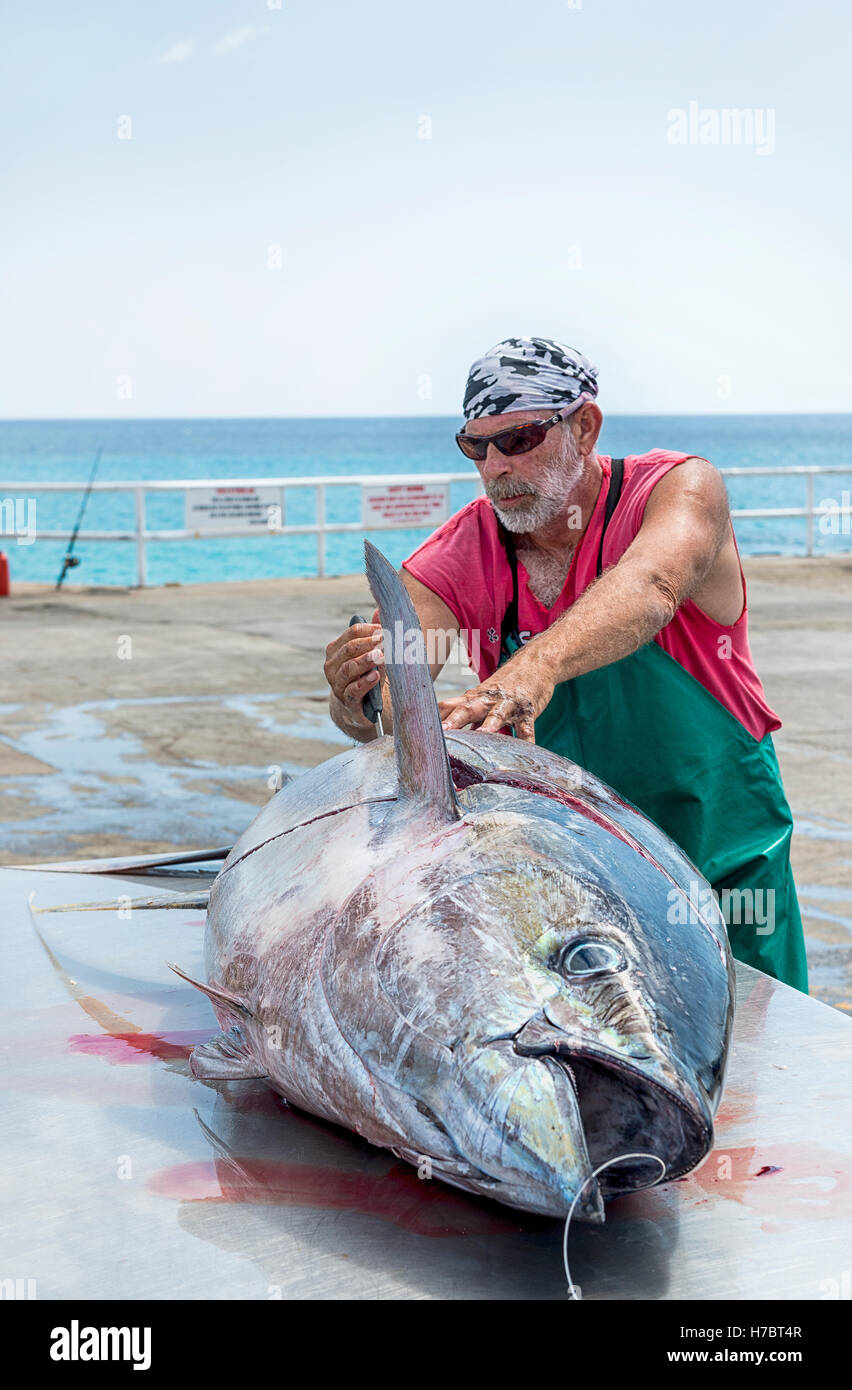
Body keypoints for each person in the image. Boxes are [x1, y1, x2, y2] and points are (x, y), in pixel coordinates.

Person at [325, 336, 808, 993]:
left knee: (758, 1067)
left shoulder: (676, 490)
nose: (496, 466)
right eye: (477, 446)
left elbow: (651, 585)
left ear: (585, 426)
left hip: (721, 863)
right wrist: (361, 697)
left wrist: (532, 668)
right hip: (569, 886)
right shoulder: (468, 546)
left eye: (519, 438)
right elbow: (399, 681)